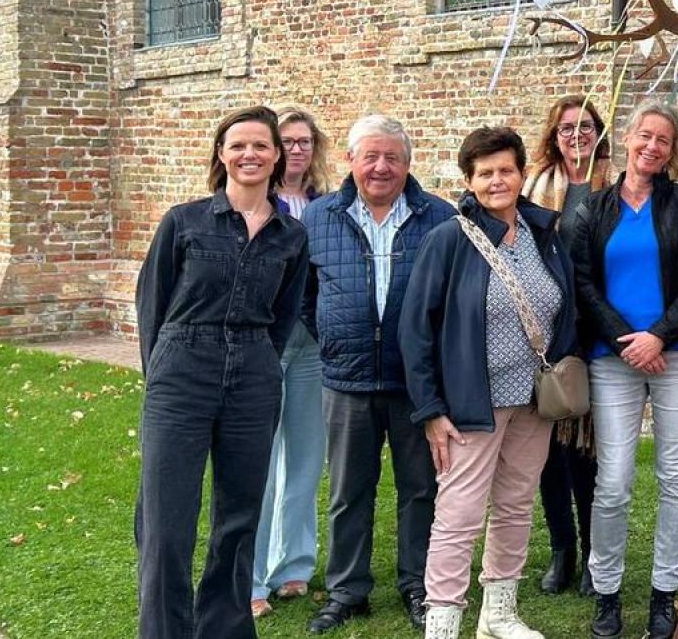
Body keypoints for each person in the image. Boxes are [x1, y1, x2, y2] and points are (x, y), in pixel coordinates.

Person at [135, 105, 311, 639]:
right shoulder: (184, 221)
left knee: (238, 518)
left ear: (276, 156)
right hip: (181, 372)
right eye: (238, 145)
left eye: (261, 145)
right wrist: (163, 372)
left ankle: (225, 629)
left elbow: (284, 316)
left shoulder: (290, 235)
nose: (249, 154)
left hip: (254, 377)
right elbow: (152, 305)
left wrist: (259, 363)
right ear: (221, 154)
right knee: (167, 520)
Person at [401, 126, 579, 639]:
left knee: (516, 506)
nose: (497, 180)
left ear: (522, 174)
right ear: (469, 180)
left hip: (533, 403)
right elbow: (415, 330)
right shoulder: (449, 240)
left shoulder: (542, 236)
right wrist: (431, 409)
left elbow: (563, 304)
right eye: (485, 173)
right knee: (458, 515)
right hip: (470, 406)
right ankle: (442, 624)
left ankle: (498, 614)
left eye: (506, 170)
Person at [566, 99, 678, 639]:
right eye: (645, 135)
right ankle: (606, 592)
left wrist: (659, 336)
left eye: (664, 141)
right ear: (627, 138)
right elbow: (582, 283)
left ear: (672, 152)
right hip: (615, 359)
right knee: (612, 482)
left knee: (674, 475)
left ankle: (663, 592)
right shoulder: (595, 208)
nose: (653, 146)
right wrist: (626, 341)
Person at [301, 115, 457, 634]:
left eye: (392, 157)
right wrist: (334, 337)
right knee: (349, 492)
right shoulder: (320, 217)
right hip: (347, 380)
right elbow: (305, 297)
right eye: (370, 156)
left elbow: (451, 299)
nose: (381, 167)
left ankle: (418, 586)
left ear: (408, 164)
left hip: (416, 383)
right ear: (350, 160)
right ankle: (347, 591)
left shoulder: (439, 217)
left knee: (420, 489)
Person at [523, 95, 613, 597]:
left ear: (600, 131)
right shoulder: (534, 186)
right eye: (566, 129)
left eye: (586, 126)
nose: (577, 136)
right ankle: (563, 550)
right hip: (545, 331)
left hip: (597, 329)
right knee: (549, 450)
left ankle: (597, 554)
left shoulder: (616, 184)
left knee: (589, 450)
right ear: (553, 137)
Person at [250, 106, 334, 619]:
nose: (297, 149)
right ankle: (252, 577)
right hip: (267, 341)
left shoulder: (327, 203)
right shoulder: (257, 200)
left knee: (305, 459)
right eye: (287, 141)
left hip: (313, 345)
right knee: (257, 463)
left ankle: (294, 565)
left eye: (305, 141)